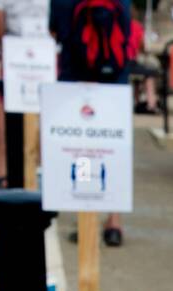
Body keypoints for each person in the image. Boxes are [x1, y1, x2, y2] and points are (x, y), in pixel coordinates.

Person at [52, 0, 133, 245]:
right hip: (114, 78)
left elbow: (56, 30)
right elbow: (126, 32)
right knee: (113, 148)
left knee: (84, 148)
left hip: (76, 77)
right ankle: (114, 222)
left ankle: (87, 218)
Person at [0, 0, 50, 192]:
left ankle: (3, 171)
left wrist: (3, 46)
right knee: (45, 109)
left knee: (3, 105)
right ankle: (40, 171)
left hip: (16, 44)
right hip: (47, 45)